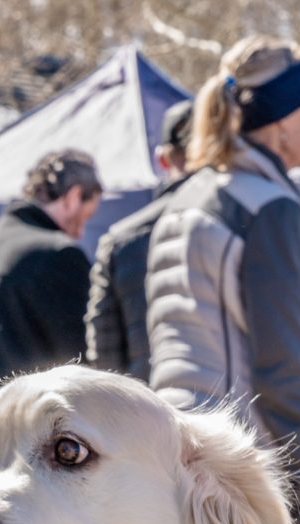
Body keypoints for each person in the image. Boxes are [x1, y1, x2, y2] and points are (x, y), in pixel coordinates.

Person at [146, 36, 300, 524]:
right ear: (285, 118)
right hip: (238, 479)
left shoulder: (186, 200)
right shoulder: (270, 208)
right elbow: (282, 369)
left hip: (166, 463)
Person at [0, 149, 101, 448]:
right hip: (18, 459)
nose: (80, 232)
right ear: (72, 197)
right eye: (85, 217)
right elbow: (85, 369)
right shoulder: (58, 255)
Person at [85, 100, 193, 381]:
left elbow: (103, 355)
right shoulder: (244, 221)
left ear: (163, 159)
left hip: (147, 411)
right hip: (231, 414)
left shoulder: (120, 240)